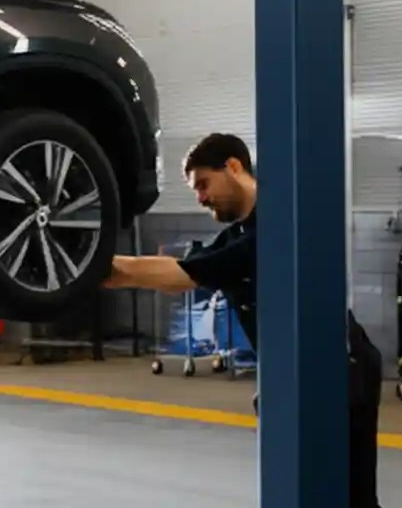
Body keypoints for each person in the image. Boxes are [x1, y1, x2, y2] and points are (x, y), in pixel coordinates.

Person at [104, 132, 384, 508]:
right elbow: (179, 272)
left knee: (349, 493)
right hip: (292, 375)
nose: (201, 197)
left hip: (340, 367)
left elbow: (183, 275)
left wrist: (105, 267)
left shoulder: (278, 226)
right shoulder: (237, 235)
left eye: (203, 184)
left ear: (233, 167)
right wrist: (103, 270)